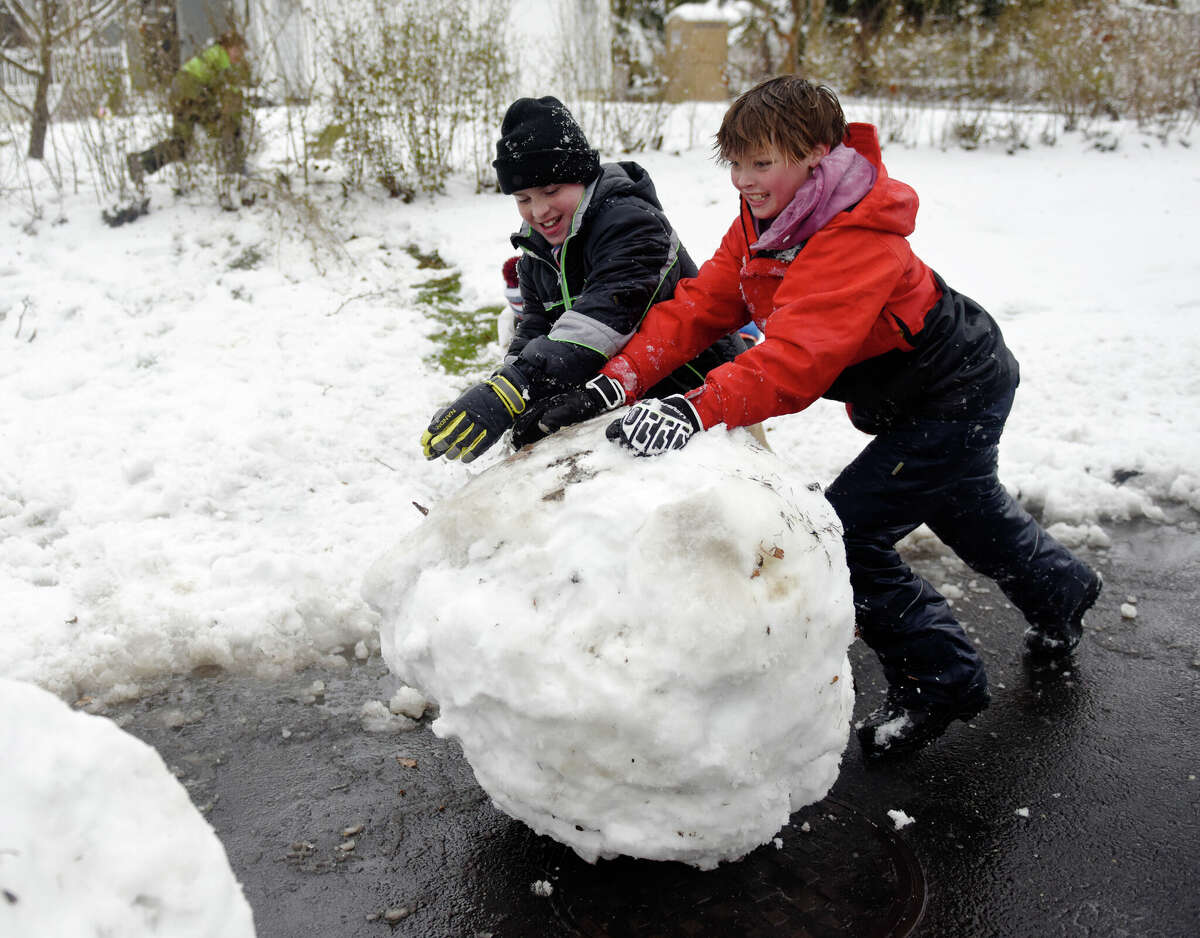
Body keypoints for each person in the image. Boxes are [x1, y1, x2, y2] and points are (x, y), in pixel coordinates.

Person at [532, 76, 1102, 759]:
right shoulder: (768, 222)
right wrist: (613, 385)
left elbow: (795, 361)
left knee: (851, 534)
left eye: (762, 162)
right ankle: (1064, 590)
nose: (744, 179)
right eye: (736, 163)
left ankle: (939, 679)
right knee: (963, 506)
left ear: (816, 154)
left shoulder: (855, 233)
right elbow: (699, 308)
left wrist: (692, 408)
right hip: (925, 393)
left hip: (956, 391)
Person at [420, 96, 746, 464]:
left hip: (698, 394)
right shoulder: (536, 252)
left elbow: (602, 319)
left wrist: (515, 388)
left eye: (551, 191)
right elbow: (536, 326)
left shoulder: (630, 222)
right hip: (615, 397)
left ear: (583, 176)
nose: (539, 211)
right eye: (523, 198)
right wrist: (507, 383)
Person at [127, 29, 250, 185]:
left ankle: (142, 162)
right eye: (238, 50)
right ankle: (235, 174)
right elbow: (223, 90)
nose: (239, 56)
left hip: (181, 94)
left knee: (182, 145)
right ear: (228, 46)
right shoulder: (219, 57)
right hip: (191, 93)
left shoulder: (213, 54)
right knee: (227, 127)